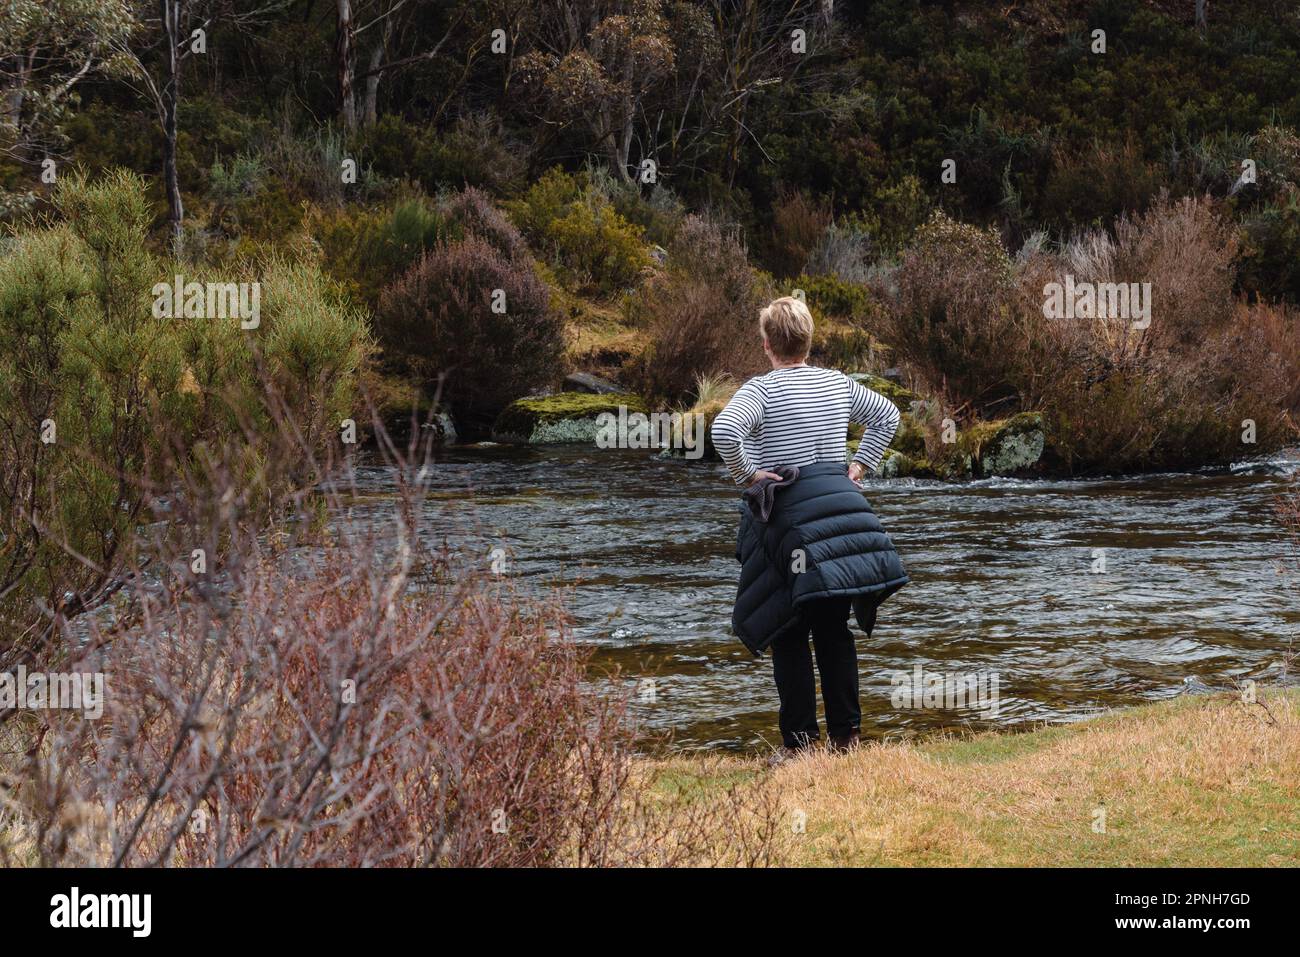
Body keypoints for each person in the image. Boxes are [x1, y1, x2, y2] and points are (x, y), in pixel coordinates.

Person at [712, 296, 903, 755]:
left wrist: (751, 475)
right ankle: (847, 739)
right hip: (837, 514)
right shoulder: (837, 384)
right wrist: (858, 468)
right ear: (809, 341)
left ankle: (799, 746)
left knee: (788, 630)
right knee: (833, 628)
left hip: (787, 523)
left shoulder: (760, 391)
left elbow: (723, 433)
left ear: (766, 344)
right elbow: (888, 416)